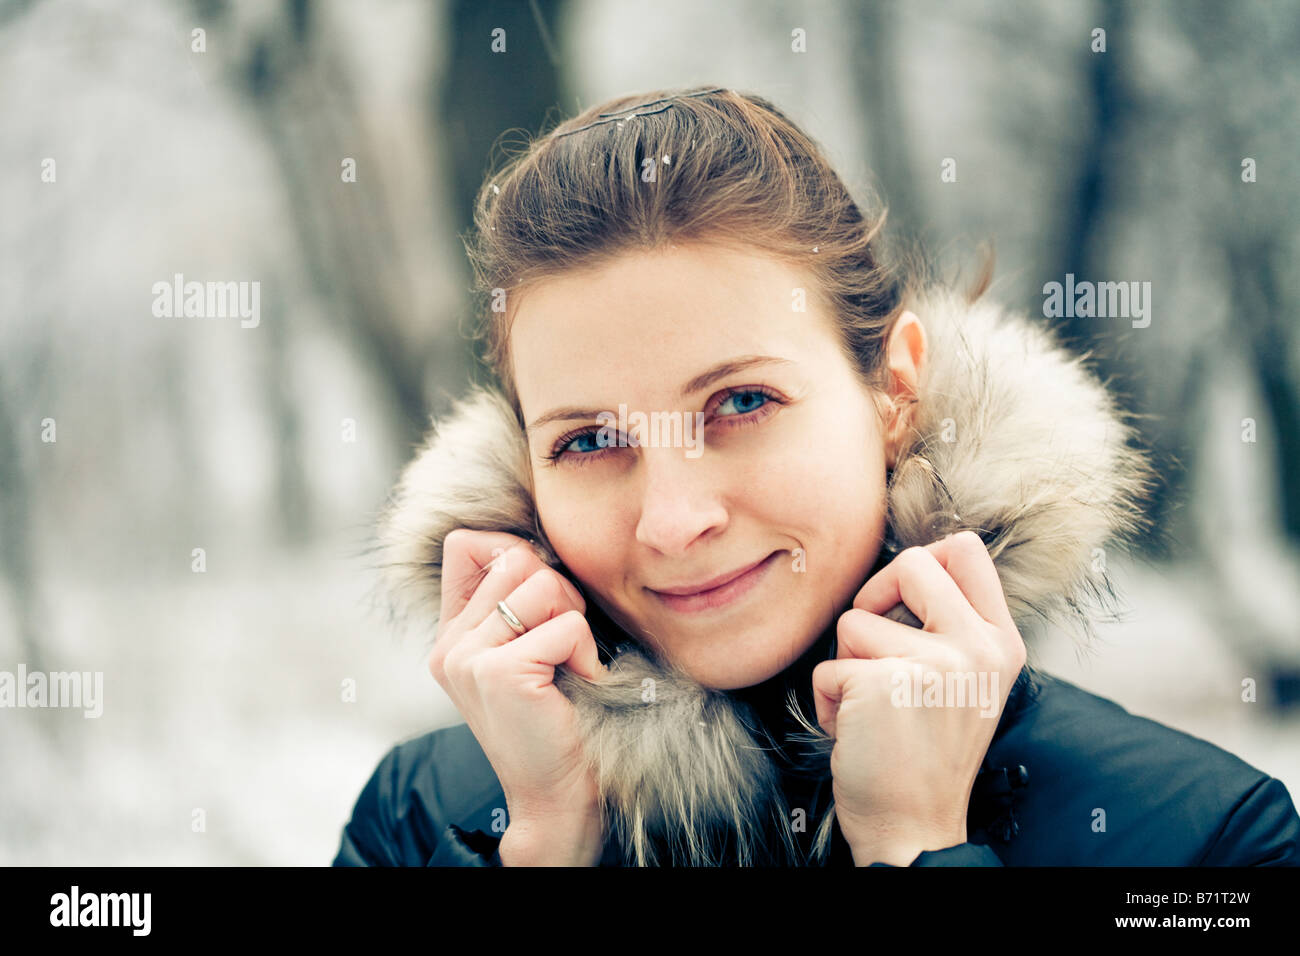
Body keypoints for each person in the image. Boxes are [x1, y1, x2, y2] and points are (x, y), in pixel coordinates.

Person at [332, 86, 1300, 866]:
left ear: (894, 392)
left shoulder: (1205, 844)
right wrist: (544, 843)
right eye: (588, 440)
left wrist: (918, 849)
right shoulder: (416, 827)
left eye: (742, 403)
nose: (673, 520)